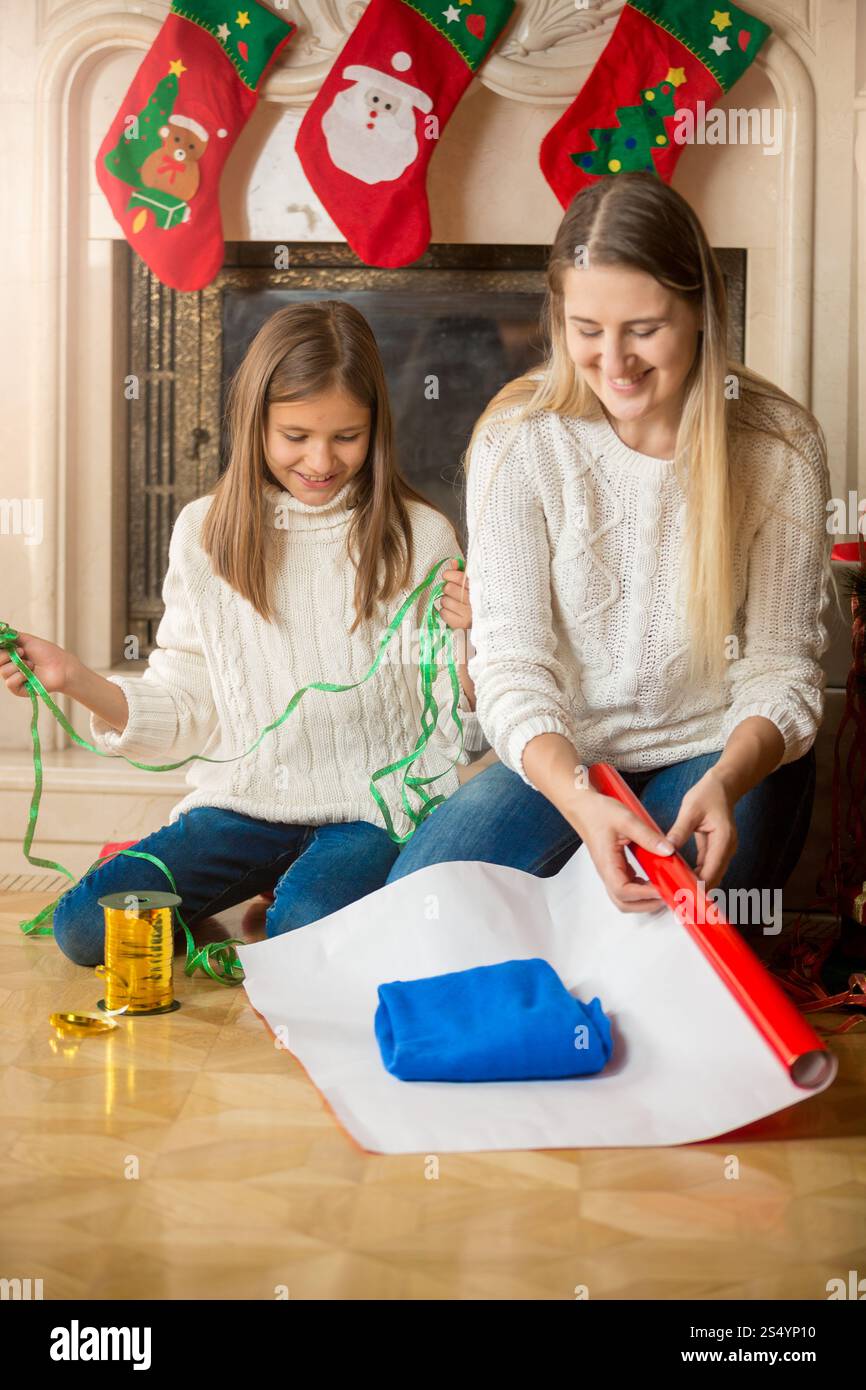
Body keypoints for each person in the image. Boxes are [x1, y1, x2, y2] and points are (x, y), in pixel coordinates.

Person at [386, 171, 834, 935]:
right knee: (417, 928)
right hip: (570, 759)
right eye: (588, 330)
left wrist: (729, 777)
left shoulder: (779, 448)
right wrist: (579, 800)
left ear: (700, 310)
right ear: (559, 318)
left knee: (660, 951)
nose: (615, 362)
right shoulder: (518, 440)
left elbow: (783, 668)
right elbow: (513, 664)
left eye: (644, 328)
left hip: (719, 756)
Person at [1, 301, 486, 965]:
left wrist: (469, 653)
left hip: (370, 816)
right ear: (253, 424)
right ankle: (263, 880)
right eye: (295, 435)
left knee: (306, 938)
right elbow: (186, 704)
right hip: (245, 807)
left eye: (347, 436)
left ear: (377, 429)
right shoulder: (205, 536)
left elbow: (447, 727)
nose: (321, 460)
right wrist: (74, 678)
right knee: (88, 931)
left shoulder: (419, 537)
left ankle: (287, 894)